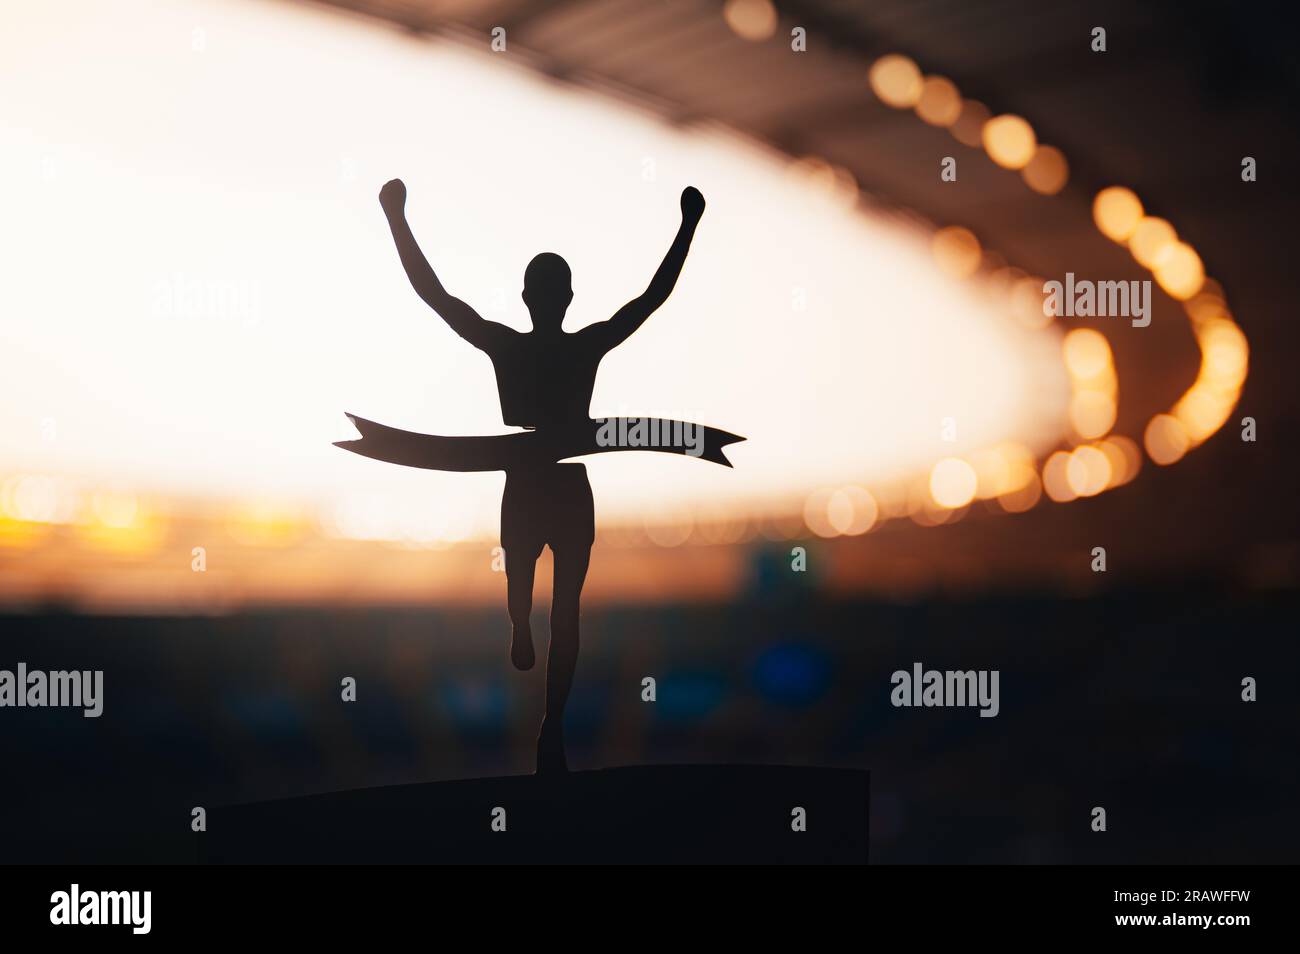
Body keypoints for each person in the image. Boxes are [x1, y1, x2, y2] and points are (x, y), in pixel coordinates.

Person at [378, 178, 706, 773]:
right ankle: (546, 706)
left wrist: (395, 218)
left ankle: (521, 635)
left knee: (527, 581)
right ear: (567, 298)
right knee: (566, 612)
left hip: (529, 480)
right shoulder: (584, 347)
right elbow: (650, 300)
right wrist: (688, 225)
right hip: (560, 483)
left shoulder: (507, 346)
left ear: (526, 297)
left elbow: (436, 296)